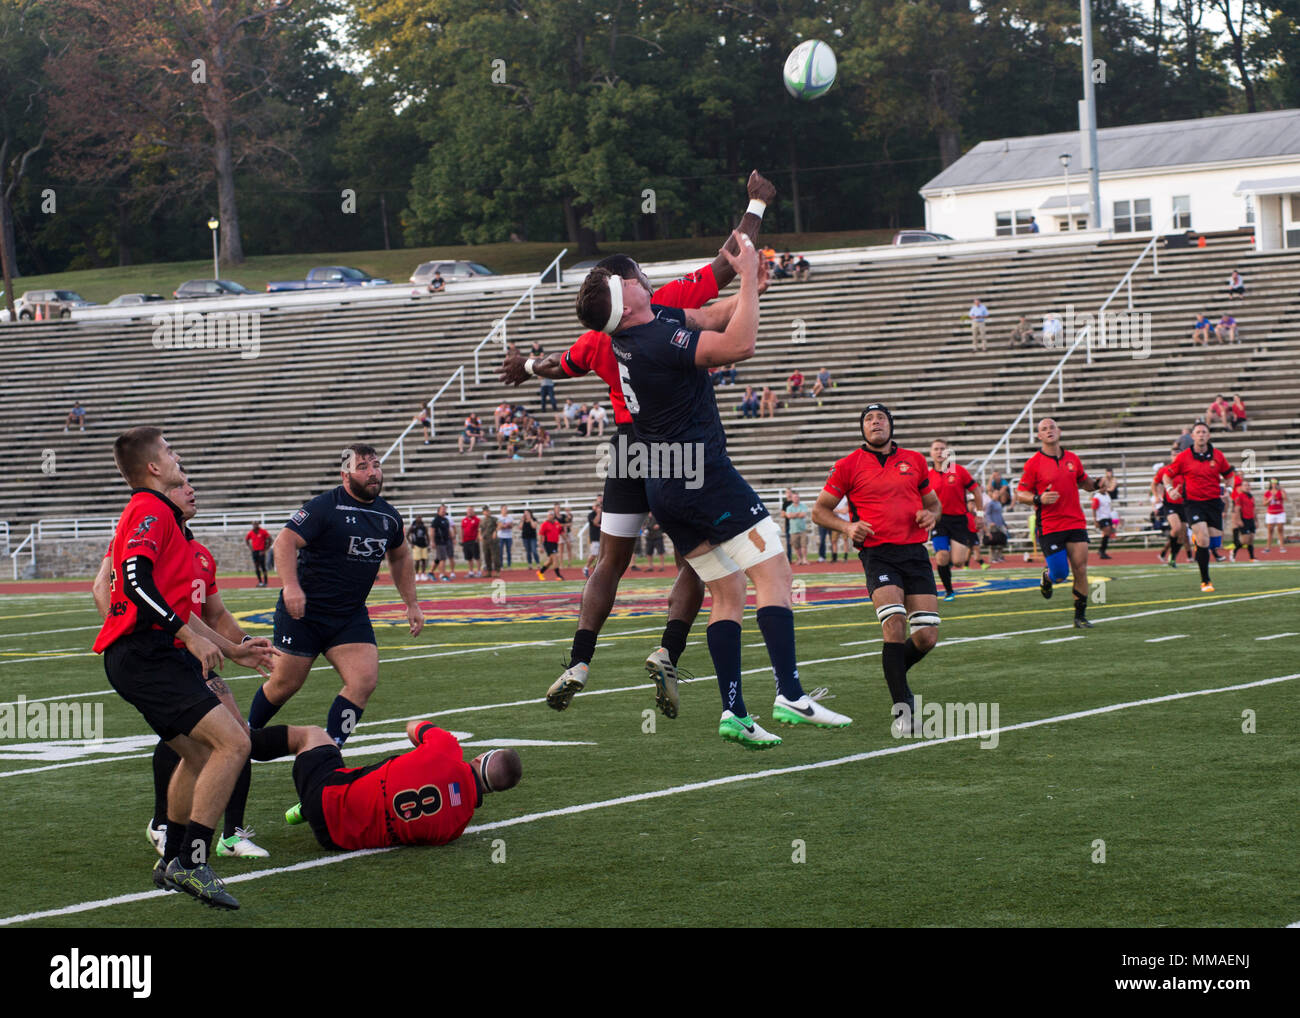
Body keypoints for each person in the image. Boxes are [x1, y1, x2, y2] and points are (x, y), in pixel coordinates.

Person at [498, 171, 777, 716]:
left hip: (628, 449)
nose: (646, 278)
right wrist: (757, 205)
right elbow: (728, 260)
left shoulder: (596, 335)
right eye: (638, 276)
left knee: (610, 561)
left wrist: (527, 366)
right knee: (701, 562)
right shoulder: (659, 305)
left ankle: (579, 660)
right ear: (628, 289)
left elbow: (562, 364)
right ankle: (669, 650)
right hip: (672, 446)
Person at [574, 227, 850, 743]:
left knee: (728, 592)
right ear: (625, 302)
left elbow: (709, 316)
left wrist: (751, 290)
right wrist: (745, 277)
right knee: (774, 572)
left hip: (664, 483)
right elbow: (739, 344)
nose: (639, 277)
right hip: (702, 475)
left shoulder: (640, 330)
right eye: (629, 278)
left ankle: (734, 713)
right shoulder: (656, 338)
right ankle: (790, 693)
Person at [93, 427, 274, 909]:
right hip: (146, 654)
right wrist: (186, 633)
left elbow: (181, 608)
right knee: (234, 742)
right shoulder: (150, 508)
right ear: (153, 467)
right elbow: (133, 580)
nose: (178, 458)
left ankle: (172, 858)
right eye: (170, 451)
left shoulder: (160, 515)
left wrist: (230, 649)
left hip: (148, 654)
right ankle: (192, 861)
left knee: (199, 755)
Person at [248, 445, 424, 749]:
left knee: (364, 680)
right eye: (363, 467)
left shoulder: (389, 517)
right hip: (305, 613)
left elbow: (401, 556)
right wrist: (291, 586)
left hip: (349, 615)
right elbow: (285, 542)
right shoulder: (324, 507)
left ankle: (329, 749)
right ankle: (243, 734)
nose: (372, 473)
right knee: (284, 684)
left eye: (376, 465)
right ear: (345, 475)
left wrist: (412, 603)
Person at [812, 404, 942, 736]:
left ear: (891, 425)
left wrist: (932, 516)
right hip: (877, 553)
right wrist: (846, 527)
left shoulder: (914, 460)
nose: (875, 422)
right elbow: (819, 511)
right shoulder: (846, 465)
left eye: (881, 417)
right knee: (894, 623)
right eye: (869, 419)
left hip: (915, 552)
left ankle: (893, 670)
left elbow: (933, 504)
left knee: (926, 637)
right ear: (862, 429)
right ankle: (904, 710)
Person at [280, 720, 520, 849]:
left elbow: (413, 726)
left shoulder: (448, 749)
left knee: (312, 735)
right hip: (335, 841)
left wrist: (427, 758)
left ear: (480, 758)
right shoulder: (455, 828)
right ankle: (304, 810)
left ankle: (245, 742)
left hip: (327, 795)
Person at [1015, 418, 1106, 627]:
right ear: (1039, 436)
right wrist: (1038, 499)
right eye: (1044, 429)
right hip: (1050, 524)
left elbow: (1084, 481)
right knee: (1059, 575)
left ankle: (1080, 616)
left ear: (1060, 431)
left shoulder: (1073, 458)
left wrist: (1098, 483)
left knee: (1081, 569)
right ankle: (1047, 578)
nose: (1049, 431)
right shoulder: (1033, 464)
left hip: (1075, 522)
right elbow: (1020, 494)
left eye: (1052, 427)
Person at [1159, 422, 1236, 592]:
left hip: (1214, 502)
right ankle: (1205, 581)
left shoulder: (1218, 456)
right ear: (1192, 436)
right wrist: (1170, 490)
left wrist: (1228, 490)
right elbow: (1167, 476)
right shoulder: (1183, 457)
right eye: (1198, 432)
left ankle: (1198, 539)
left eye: (1204, 432)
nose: (1201, 435)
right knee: (1203, 539)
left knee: (1215, 542)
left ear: (1208, 436)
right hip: (1193, 503)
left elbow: (1230, 475)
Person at [927, 439, 982, 600]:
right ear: (931, 453)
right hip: (939, 520)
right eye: (936, 449)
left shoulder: (959, 471)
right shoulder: (927, 476)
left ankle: (948, 560)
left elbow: (976, 492)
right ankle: (949, 591)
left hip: (959, 520)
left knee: (958, 562)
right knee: (942, 556)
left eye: (942, 449)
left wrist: (980, 515)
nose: (939, 452)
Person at [1152, 459, 1189, 567]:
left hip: (1184, 505)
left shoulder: (1187, 470)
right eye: (1174, 454)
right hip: (1170, 504)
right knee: (1176, 528)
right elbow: (1154, 484)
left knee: (1182, 536)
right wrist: (1156, 496)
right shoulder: (1165, 470)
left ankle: (1171, 556)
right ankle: (1168, 554)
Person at [1230, 480, 1257, 562]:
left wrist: (1256, 520)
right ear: (1241, 487)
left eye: (1248, 485)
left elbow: (1254, 509)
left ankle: (1252, 557)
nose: (1247, 487)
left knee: (1251, 539)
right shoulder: (1240, 497)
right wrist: (1238, 520)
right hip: (1244, 519)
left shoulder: (1251, 497)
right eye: (1245, 485)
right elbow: (1237, 509)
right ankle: (1233, 551)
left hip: (1251, 519)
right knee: (1245, 540)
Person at [537, 510, 565, 580]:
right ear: (548, 516)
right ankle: (558, 576)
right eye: (550, 515)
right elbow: (541, 535)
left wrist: (567, 540)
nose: (551, 516)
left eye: (552, 515)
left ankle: (540, 572)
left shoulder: (557, 523)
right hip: (548, 543)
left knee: (550, 560)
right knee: (555, 558)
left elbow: (561, 532)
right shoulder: (545, 524)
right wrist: (540, 546)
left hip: (555, 543)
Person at [983, 488, 1009, 562]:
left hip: (1000, 524)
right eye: (995, 493)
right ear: (992, 494)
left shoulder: (998, 503)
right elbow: (987, 514)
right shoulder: (990, 503)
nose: (997, 495)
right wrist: (990, 522)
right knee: (993, 542)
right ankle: (993, 558)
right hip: (993, 525)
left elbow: (1000, 515)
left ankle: (999, 556)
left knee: (1001, 541)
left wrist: (1004, 523)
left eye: (998, 493)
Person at [1262, 478, 1287, 553]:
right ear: (1270, 483)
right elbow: (1264, 504)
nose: (1274, 484)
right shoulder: (1267, 493)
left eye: (1275, 482)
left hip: (1280, 512)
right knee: (1270, 530)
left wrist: (1281, 489)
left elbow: (1285, 498)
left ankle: (1282, 547)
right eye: (1272, 482)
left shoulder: (1280, 491)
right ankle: (1268, 547)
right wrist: (1269, 499)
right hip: (1271, 513)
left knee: (1280, 530)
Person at [784, 492, 810, 565]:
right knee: (796, 546)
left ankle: (804, 559)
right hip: (793, 530)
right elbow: (788, 516)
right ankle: (799, 559)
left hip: (802, 529)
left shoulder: (803, 506)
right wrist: (797, 514)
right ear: (792, 499)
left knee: (804, 545)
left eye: (797, 497)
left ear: (799, 498)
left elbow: (803, 514)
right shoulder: (789, 507)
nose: (796, 498)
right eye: (794, 497)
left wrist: (793, 515)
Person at [431, 504, 455, 580]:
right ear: (438, 511)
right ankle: (442, 575)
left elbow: (448, 530)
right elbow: (432, 531)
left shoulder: (446, 519)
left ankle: (431, 572)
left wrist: (453, 538)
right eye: (442, 510)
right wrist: (432, 541)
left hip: (446, 541)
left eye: (445, 510)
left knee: (439, 558)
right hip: (439, 542)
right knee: (442, 559)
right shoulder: (436, 520)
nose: (444, 511)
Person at [1091, 485, 1116, 559]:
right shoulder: (1097, 497)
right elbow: (1094, 509)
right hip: (1101, 517)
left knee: (1108, 533)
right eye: (1102, 487)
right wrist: (1095, 520)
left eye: (1105, 487)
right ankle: (1102, 551)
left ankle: (1101, 550)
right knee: (1106, 532)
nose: (1104, 489)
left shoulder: (1107, 495)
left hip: (1108, 516)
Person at [245, 521, 270, 587]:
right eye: (254, 524)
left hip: (261, 551)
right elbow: (247, 540)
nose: (255, 526)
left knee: (263, 567)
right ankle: (260, 582)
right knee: (256, 567)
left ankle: (266, 582)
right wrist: (251, 548)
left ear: (258, 525)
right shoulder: (251, 532)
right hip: (255, 552)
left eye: (256, 524)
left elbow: (270, 539)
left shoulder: (263, 531)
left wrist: (265, 550)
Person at [460, 506, 482, 578]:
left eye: (471, 510)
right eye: (468, 510)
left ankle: (479, 571)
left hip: (474, 540)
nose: (469, 512)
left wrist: (478, 538)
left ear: (473, 511)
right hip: (466, 541)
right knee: (469, 558)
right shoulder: (464, 520)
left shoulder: (477, 520)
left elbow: (479, 529)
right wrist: (462, 539)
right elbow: (462, 530)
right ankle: (471, 572)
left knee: (477, 557)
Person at [408, 515, 430, 581]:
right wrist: (411, 543)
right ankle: (416, 574)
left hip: (424, 545)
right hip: (416, 545)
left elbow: (427, 536)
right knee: (417, 561)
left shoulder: (424, 527)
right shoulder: (413, 527)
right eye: (418, 517)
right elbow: (407, 535)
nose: (419, 519)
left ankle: (423, 574)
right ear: (416, 518)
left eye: (420, 517)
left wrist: (428, 545)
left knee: (424, 560)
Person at [480, 506, 500, 578]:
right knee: (486, 556)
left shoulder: (494, 519)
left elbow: (499, 525)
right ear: (483, 512)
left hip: (493, 540)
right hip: (485, 540)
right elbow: (480, 529)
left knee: (495, 556)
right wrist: (480, 536)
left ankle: (497, 571)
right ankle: (489, 571)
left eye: (487, 511)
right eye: (485, 511)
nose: (486, 512)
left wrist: (495, 531)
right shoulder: (482, 520)